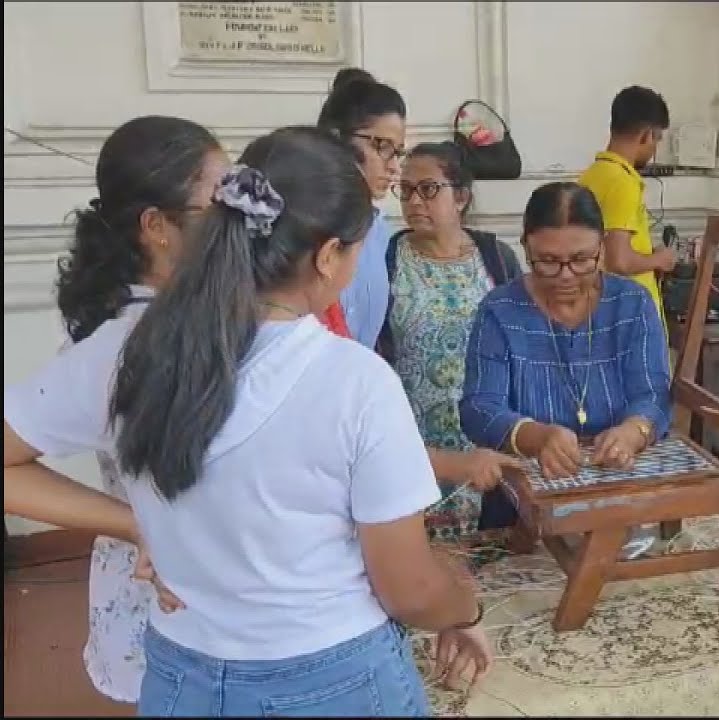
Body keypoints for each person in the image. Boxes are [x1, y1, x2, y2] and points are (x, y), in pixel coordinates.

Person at [4, 126, 490, 717]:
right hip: (330, 677)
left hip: (182, 677)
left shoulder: (124, 349)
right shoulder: (355, 381)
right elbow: (409, 589)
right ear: (328, 257)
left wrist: (137, 523)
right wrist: (464, 607)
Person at [34, 116, 229, 705]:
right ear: (156, 227)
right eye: (218, 205)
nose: (236, 224)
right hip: (167, 600)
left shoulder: (185, 317)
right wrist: (136, 525)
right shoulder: (132, 340)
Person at [460, 181, 672, 533]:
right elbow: (479, 408)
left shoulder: (632, 305)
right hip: (521, 512)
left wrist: (631, 432)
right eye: (547, 261)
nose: (565, 276)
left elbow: (653, 394)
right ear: (526, 247)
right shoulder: (500, 311)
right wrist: (536, 437)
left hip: (619, 496)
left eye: (581, 260)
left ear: (602, 247)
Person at [380, 141, 523, 542]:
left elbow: (523, 343)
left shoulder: (496, 259)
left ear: (461, 196)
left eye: (428, 189)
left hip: (484, 439)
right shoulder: (387, 260)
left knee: (492, 551)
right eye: (406, 190)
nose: (414, 201)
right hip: (415, 440)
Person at [318, 66, 407, 348]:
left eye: (398, 152)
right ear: (338, 138)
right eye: (382, 146)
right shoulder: (301, 221)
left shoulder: (380, 232)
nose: (394, 167)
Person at [578, 86, 678, 325]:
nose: (654, 149)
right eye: (657, 139)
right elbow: (619, 260)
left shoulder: (593, 174)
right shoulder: (623, 182)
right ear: (646, 135)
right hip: (631, 315)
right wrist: (659, 259)